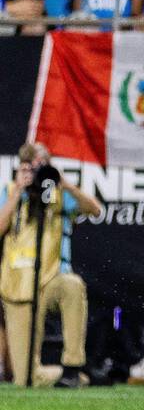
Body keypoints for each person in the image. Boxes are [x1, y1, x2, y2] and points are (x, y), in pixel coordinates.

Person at [0, 142, 102, 388]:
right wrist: (16, 193)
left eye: (42, 166)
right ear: (22, 168)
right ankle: (78, 379)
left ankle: (72, 366)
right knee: (25, 379)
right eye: (32, 167)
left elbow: (95, 210)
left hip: (53, 277)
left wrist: (65, 184)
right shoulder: (10, 190)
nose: (37, 173)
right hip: (18, 285)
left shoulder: (58, 194)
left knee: (73, 285)